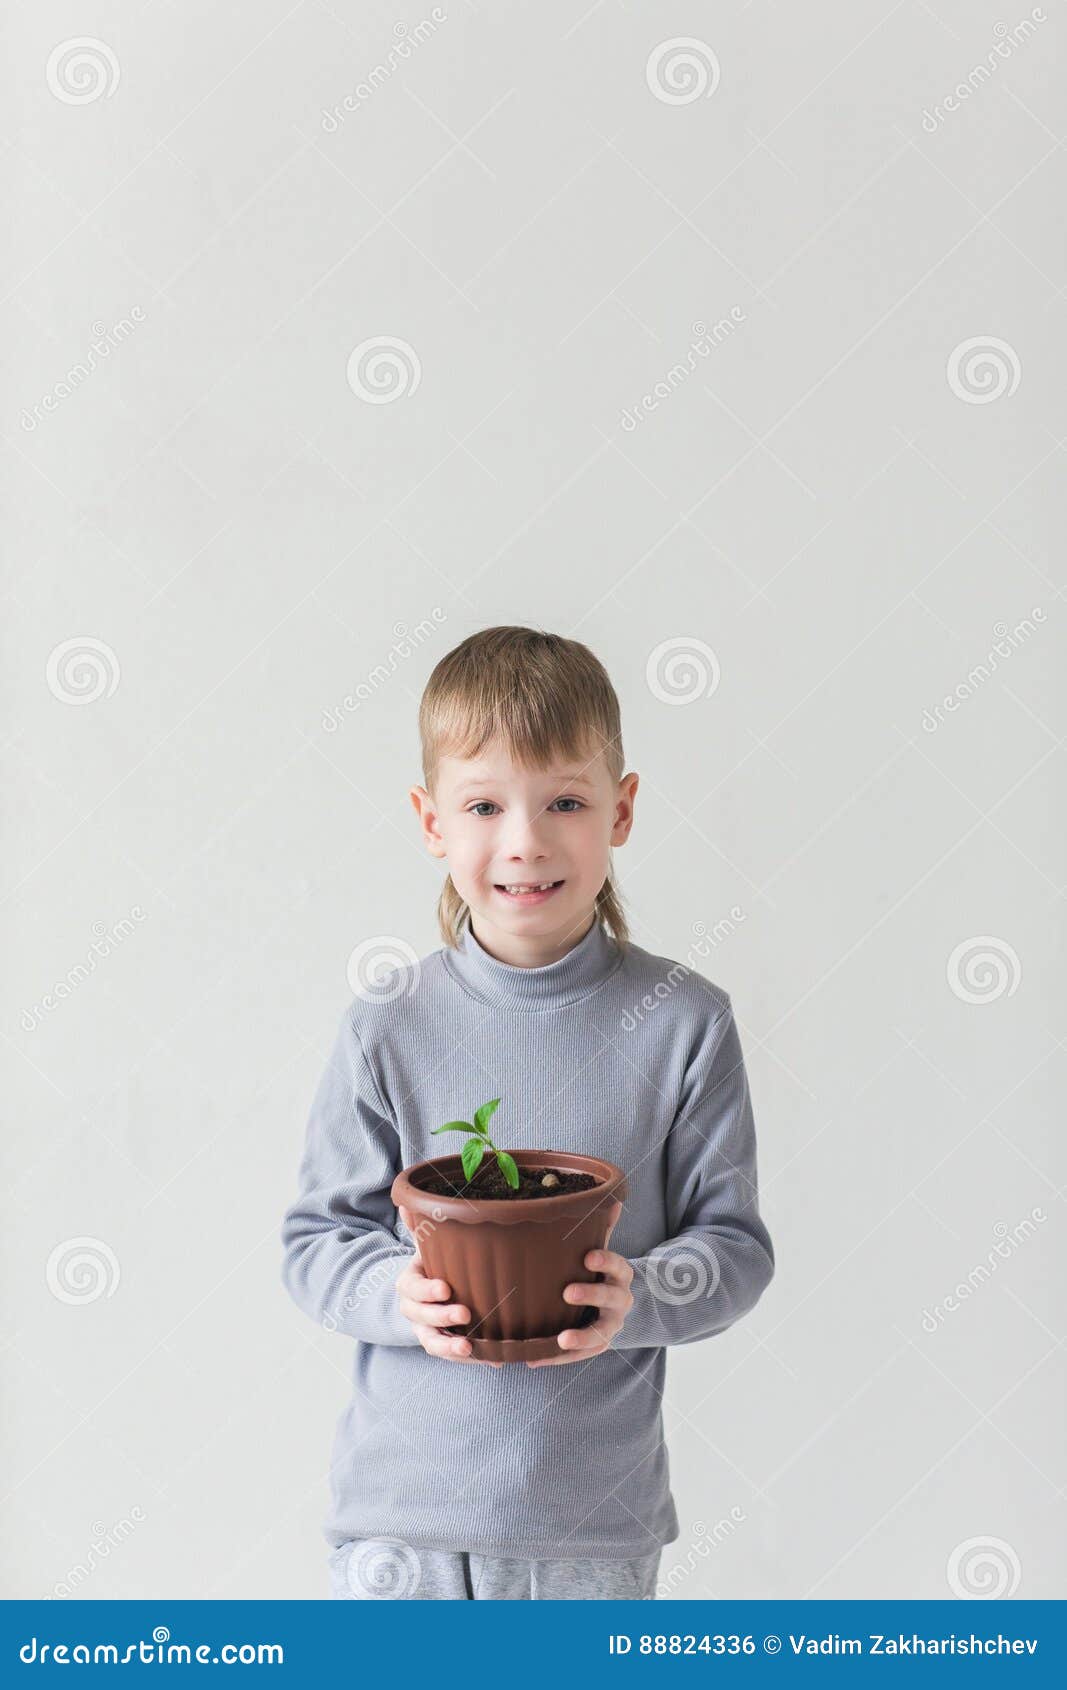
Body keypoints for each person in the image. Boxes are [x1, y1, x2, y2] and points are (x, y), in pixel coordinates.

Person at [281, 625, 775, 1600]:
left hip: (590, 1530)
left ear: (620, 809)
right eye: (482, 805)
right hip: (400, 1526)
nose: (524, 840)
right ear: (431, 823)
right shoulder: (388, 1023)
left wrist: (639, 1291)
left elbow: (733, 1247)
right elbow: (315, 1240)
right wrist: (397, 1293)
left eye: (564, 801)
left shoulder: (683, 1023)